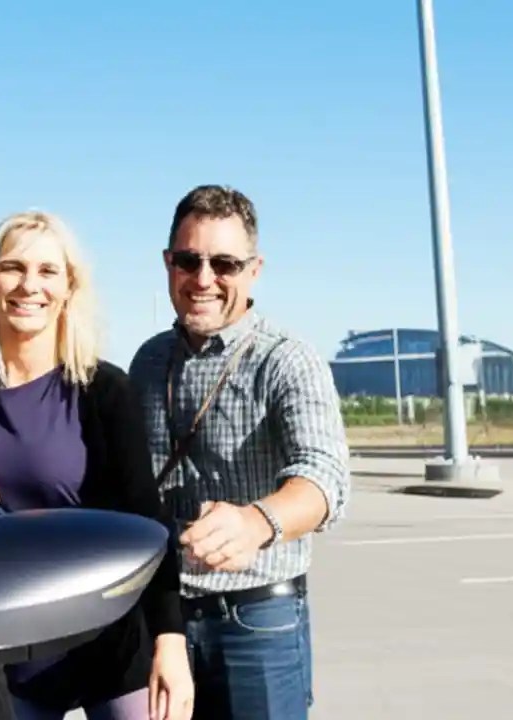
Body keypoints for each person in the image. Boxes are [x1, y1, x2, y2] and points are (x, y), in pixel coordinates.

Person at [0, 209, 195, 720]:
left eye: (47, 271)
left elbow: (148, 519)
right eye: (13, 268)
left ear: (69, 288)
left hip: (108, 641)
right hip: (4, 652)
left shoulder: (103, 388)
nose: (29, 286)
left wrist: (170, 643)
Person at [128, 185, 351, 719]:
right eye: (189, 260)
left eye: (224, 263)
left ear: (254, 270)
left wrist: (256, 522)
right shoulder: (147, 362)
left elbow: (325, 479)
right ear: (168, 264)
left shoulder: (287, 360)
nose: (204, 279)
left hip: (258, 622)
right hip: (161, 624)